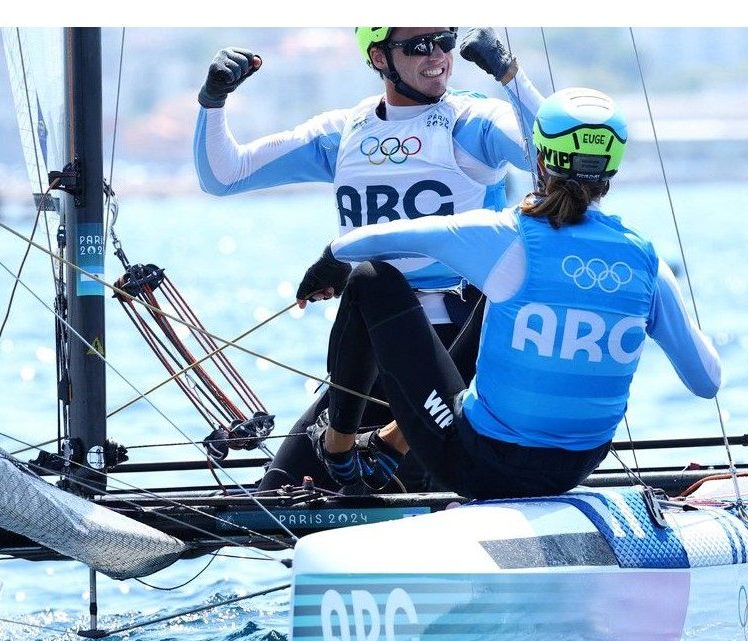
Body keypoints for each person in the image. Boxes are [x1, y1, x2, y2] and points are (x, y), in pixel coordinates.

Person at [296, 87, 722, 499]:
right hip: (577, 468)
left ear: (537, 157)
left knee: (371, 279)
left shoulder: (503, 235)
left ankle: (338, 452)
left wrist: (333, 256)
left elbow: (375, 242)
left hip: (479, 465)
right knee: (502, 298)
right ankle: (388, 448)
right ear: (612, 168)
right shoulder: (649, 261)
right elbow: (707, 382)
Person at [193, 28, 546, 493]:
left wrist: (509, 74)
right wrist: (212, 100)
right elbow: (223, 174)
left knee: (404, 494)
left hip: (458, 352)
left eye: (444, 39)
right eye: (418, 45)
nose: (437, 54)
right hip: (371, 348)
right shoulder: (344, 133)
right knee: (277, 493)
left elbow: (554, 156)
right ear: (379, 57)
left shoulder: (474, 123)